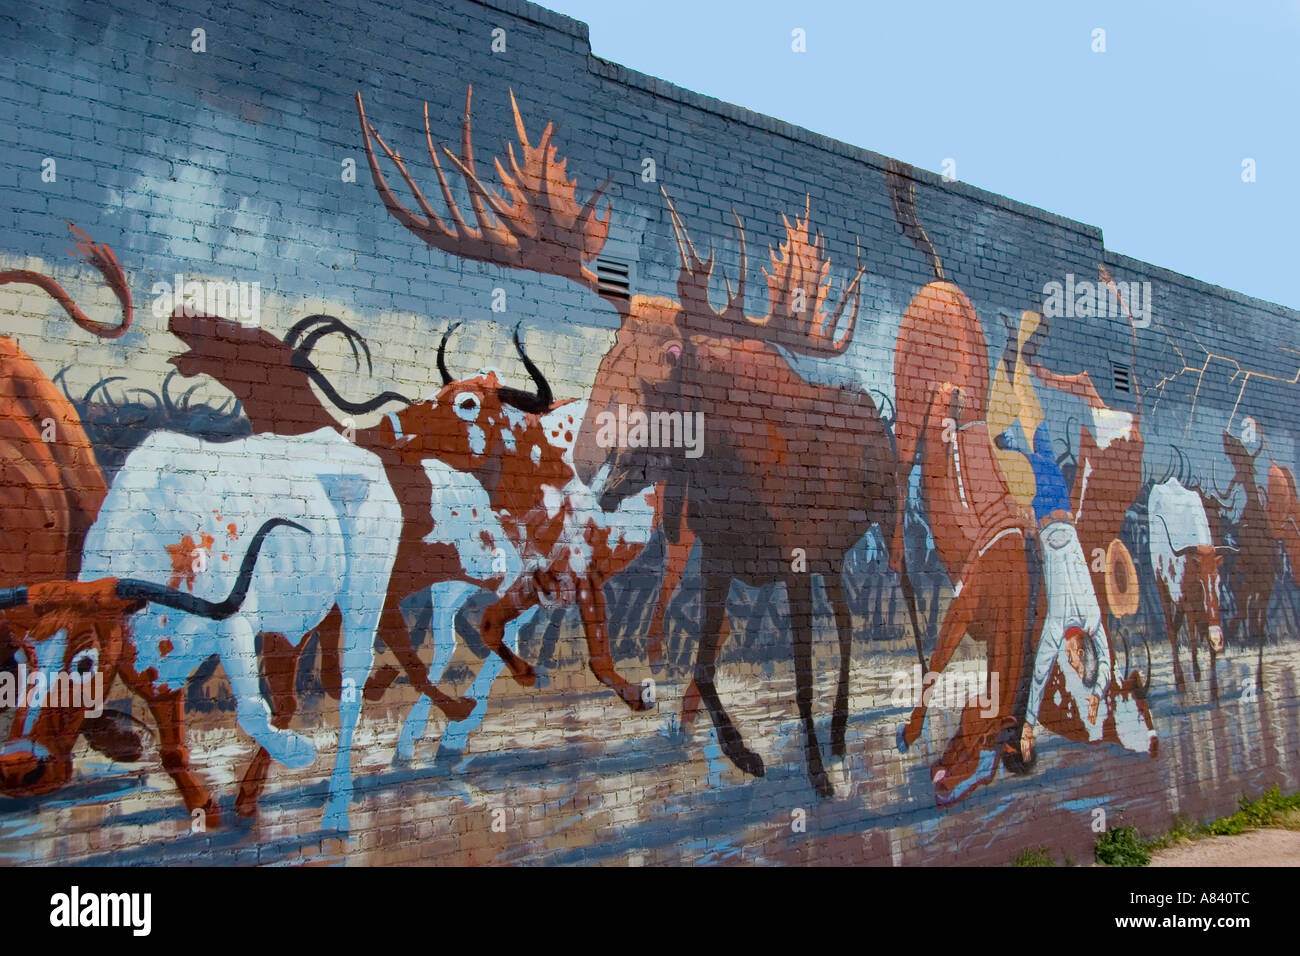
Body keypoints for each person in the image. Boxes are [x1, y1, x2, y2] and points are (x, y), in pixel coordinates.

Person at [987, 308, 1112, 763]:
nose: (1073, 664)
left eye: (1075, 669)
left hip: (1045, 510)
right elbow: (1107, 664)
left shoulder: (1060, 631)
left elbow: (1039, 674)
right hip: (1050, 496)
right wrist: (1097, 689)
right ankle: (1017, 357)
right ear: (1088, 653)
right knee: (1019, 433)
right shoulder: (1092, 620)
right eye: (1080, 665)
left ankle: (1012, 357)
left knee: (1013, 439)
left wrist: (1029, 726)